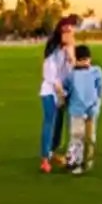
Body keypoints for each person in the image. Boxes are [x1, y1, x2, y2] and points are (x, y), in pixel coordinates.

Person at [60, 44, 102, 175]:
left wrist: (96, 105)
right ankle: (75, 161)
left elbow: (101, 89)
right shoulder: (72, 75)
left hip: (91, 109)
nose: (84, 62)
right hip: (77, 110)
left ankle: (88, 161)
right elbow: (66, 89)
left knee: (90, 136)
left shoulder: (96, 72)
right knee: (76, 135)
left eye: (86, 59)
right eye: (81, 60)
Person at [37, 18, 76, 173]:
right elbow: (50, 75)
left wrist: (70, 55)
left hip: (63, 92)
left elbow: (72, 71)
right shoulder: (52, 51)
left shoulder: (70, 49)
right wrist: (60, 93)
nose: (69, 34)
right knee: (49, 122)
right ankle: (44, 159)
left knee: (59, 125)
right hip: (50, 92)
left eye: (70, 31)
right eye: (65, 31)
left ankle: (52, 151)